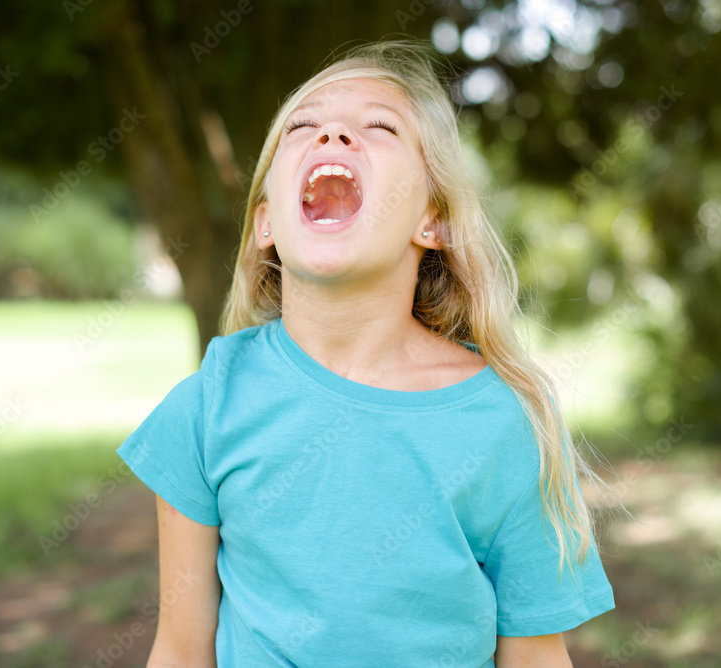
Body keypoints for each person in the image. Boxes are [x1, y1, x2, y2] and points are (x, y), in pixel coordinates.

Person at [117, 40, 615, 667]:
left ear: (431, 221)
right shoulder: (207, 407)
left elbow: (537, 657)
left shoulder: (505, 421)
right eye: (303, 125)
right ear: (267, 222)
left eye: (378, 126)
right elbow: (182, 652)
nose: (333, 136)